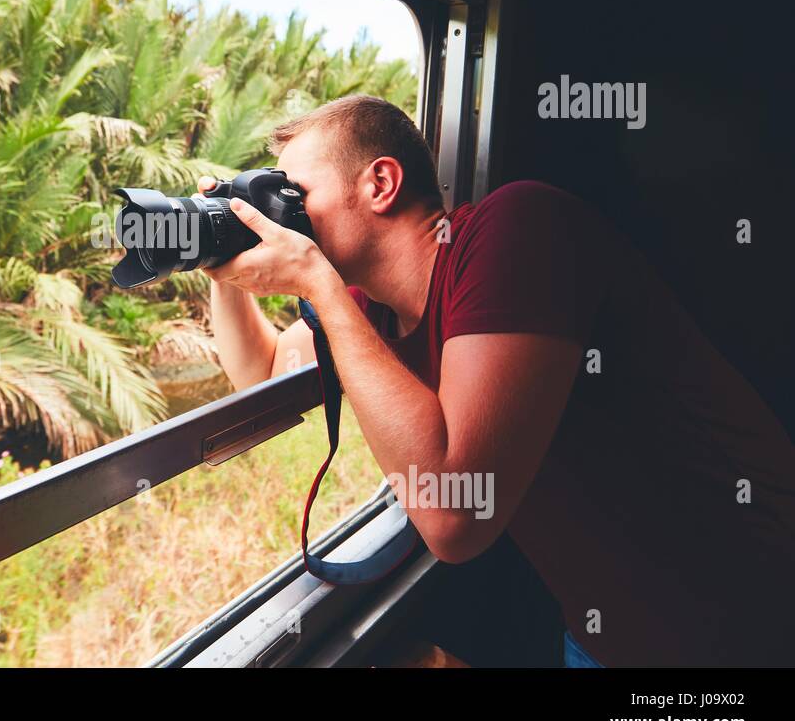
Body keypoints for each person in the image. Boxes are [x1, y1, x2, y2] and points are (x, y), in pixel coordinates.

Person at [202, 93, 795, 667]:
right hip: (606, 639)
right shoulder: (369, 308)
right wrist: (217, 254)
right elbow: (265, 371)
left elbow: (453, 518)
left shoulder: (518, 227)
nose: (282, 216)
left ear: (380, 183)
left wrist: (321, 288)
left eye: (295, 194)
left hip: (754, 626)